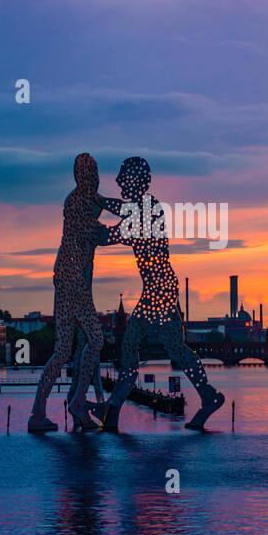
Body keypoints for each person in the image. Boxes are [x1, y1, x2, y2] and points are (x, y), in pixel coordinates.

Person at [96, 157, 224, 429]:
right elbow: (122, 210)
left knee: (131, 347)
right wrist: (100, 201)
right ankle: (208, 396)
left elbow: (111, 235)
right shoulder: (145, 208)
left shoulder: (148, 210)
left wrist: (93, 214)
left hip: (159, 290)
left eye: (124, 177)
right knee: (175, 349)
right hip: (161, 288)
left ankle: (112, 410)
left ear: (137, 181)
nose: (119, 182)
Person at [28, 153, 107, 431]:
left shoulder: (85, 199)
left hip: (66, 278)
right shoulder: (78, 201)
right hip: (72, 279)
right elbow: (98, 233)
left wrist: (133, 211)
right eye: (92, 171)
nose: (95, 175)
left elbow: (110, 206)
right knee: (95, 338)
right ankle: (76, 403)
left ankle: (39, 412)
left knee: (63, 350)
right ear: (84, 174)